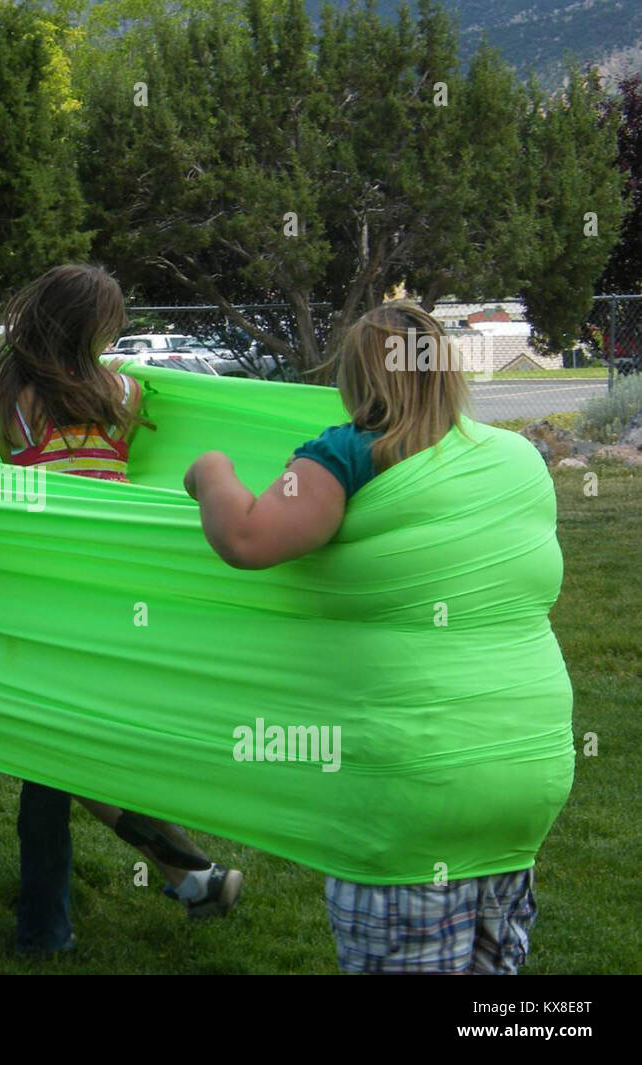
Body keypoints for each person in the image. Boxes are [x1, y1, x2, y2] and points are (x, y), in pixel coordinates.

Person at [183, 299, 538, 974]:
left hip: (417, 789)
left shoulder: (348, 454)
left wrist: (209, 469)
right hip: (522, 775)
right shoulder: (508, 459)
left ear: (358, 379)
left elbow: (246, 536)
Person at [0, 264, 244, 954]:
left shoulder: (10, 402)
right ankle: (191, 875)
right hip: (119, 592)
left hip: (45, 598)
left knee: (51, 764)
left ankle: (49, 929)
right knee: (70, 754)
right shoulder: (124, 392)